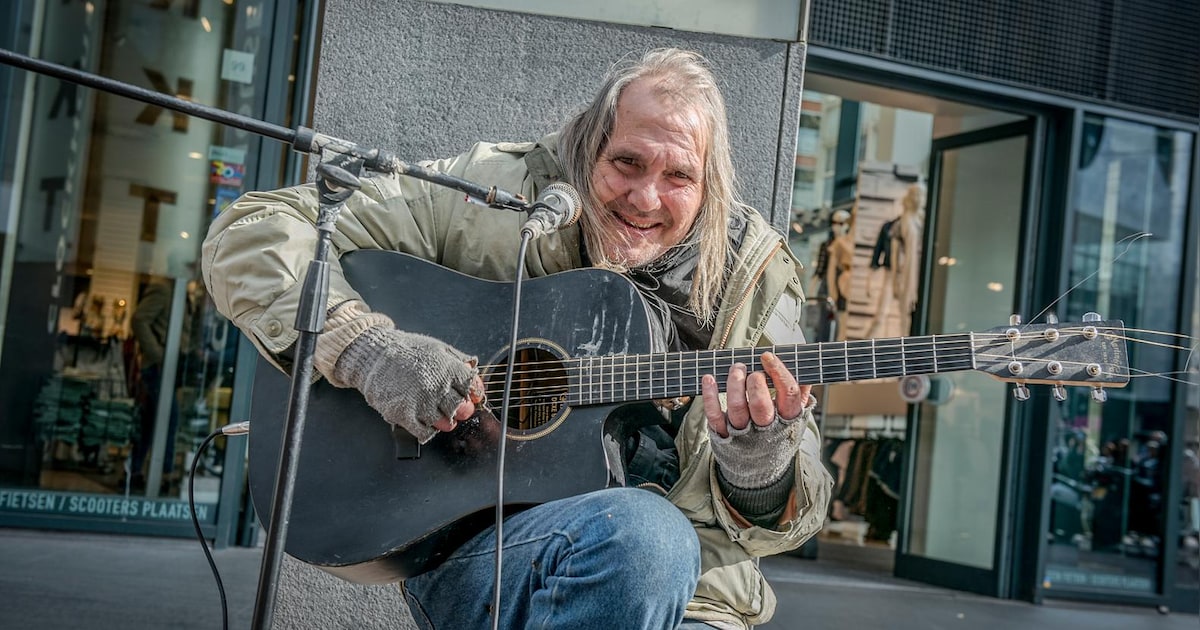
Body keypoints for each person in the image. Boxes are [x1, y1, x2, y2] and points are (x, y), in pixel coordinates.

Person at [202, 48, 832, 629]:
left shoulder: (754, 278)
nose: (645, 198)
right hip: (488, 549)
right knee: (643, 536)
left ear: (710, 186)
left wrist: (758, 469)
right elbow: (256, 229)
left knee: (653, 538)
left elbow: (793, 510)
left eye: (679, 177)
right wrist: (366, 351)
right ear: (588, 145)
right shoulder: (504, 194)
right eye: (627, 163)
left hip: (700, 595)